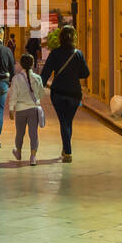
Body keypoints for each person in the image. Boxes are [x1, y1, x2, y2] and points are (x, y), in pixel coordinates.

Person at [42, 25, 90, 163]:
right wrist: (74, 73)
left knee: (64, 122)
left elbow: (45, 74)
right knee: (67, 122)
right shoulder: (78, 54)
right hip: (74, 93)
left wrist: (38, 89)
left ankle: (68, 152)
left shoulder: (55, 53)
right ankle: (66, 149)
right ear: (74, 37)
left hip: (58, 93)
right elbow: (85, 73)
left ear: (60, 38)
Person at [5, 53, 45, 165]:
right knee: (33, 134)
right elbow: (41, 94)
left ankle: (18, 152)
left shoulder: (16, 78)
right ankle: (33, 157)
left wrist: (11, 109)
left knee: (20, 133)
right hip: (33, 109)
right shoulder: (37, 78)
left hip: (20, 109)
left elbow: (13, 95)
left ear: (21, 64)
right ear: (32, 65)